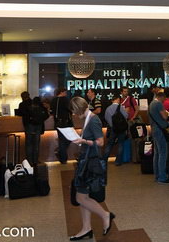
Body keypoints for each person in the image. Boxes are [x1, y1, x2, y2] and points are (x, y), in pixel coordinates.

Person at [69, 97, 115, 240]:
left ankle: (105, 215)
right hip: (86, 161)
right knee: (84, 196)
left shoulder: (93, 120)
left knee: (80, 197)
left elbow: (100, 142)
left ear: (79, 109)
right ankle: (86, 228)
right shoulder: (88, 118)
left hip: (90, 163)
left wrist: (84, 140)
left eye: (75, 111)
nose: (74, 114)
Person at [149, 91, 169, 184]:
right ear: (161, 97)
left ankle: (157, 175)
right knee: (163, 153)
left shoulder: (151, 104)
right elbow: (165, 116)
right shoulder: (158, 104)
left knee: (157, 153)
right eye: (164, 99)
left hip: (154, 129)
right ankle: (162, 177)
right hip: (160, 130)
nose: (164, 101)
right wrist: (167, 113)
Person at [103, 96, 128, 166]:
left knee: (109, 145)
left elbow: (106, 118)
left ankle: (104, 160)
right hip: (121, 129)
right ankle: (118, 161)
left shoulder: (108, 108)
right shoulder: (121, 108)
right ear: (117, 99)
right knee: (120, 144)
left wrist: (112, 125)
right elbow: (126, 116)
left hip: (113, 129)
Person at [24, 96, 49, 165]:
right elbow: (46, 116)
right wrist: (41, 120)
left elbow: (25, 117)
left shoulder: (28, 108)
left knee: (29, 144)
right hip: (38, 126)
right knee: (36, 144)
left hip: (30, 127)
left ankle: (29, 161)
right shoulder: (42, 108)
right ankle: (35, 160)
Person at [52, 88, 72, 164]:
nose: (66, 93)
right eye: (65, 92)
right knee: (69, 138)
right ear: (61, 92)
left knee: (61, 140)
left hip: (57, 122)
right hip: (65, 122)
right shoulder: (65, 99)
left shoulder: (54, 100)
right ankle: (62, 155)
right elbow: (70, 109)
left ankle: (62, 157)